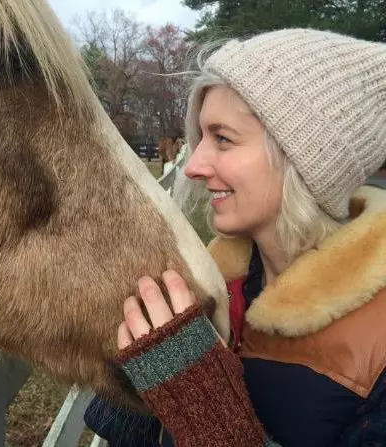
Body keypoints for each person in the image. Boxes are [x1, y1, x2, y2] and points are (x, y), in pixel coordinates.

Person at [113, 28, 386, 446]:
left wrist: (208, 415)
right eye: (201, 137)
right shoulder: (213, 283)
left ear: (304, 158)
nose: (194, 165)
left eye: (222, 138)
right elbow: (130, 437)